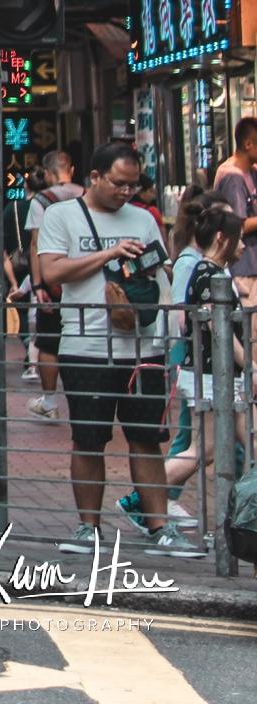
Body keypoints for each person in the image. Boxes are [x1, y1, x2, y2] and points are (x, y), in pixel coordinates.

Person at [37, 142, 198, 558]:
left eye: (133, 184)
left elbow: (159, 274)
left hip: (142, 348)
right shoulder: (61, 215)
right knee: (88, 439)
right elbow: (52, 271)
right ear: (94, 177)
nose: (127, 191)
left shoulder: (145, 220)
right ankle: (88, 528)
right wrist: (108, 253)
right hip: (86, 346)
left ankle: (159, 526)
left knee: (146, 439)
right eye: (118, 183)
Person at [117, 201, 244, 534]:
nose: (244, 245)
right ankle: (143, 498)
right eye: (239, 238)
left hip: (213, 373)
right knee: (215, 446)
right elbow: (222, 330)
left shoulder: (211, 271)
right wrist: (252, 365)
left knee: (211, 446)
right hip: (214, 374)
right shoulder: (208, 273)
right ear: (222, 238)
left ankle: (142, 498)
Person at [22, 153, 85, 420]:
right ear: (71, 169)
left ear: (48, 173)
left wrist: (38, 285)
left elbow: (36, 243)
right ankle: (83, 396)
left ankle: (49, 402)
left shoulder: (41, 200)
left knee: (49, 342)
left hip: (54, 279)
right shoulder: (87, 193)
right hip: (85, 275)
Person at [210, 116, 257, 299]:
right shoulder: (232, 176)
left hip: (252, 265)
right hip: (244, 265)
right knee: (252, 325)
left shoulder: (251, 171)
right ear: (248, 144)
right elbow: (238, 224)